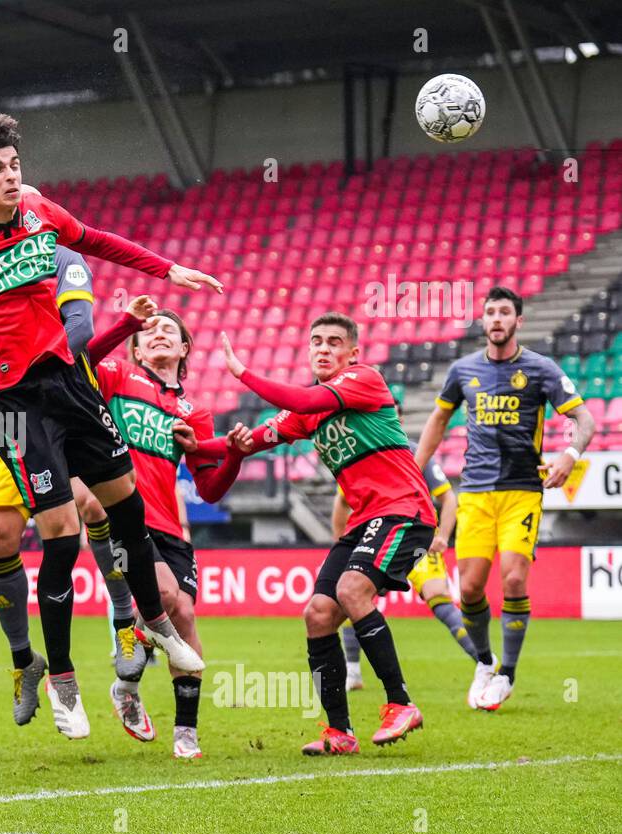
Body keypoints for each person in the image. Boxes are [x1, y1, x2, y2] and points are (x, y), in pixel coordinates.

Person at [0, 113, 222, 739]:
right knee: (58, 535)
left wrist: (167, 270)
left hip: (71, 388)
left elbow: (98, 240)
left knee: (126, 510)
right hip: (13, 407)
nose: (10, 177)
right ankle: (62, 681)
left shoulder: (38, 212)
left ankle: (157, 627)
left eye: (15, 166)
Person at [209, 313, 433, 755]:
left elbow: (305, 399)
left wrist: (243, 374)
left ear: (353, 353)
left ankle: (401, 703)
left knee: (351, 589)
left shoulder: (364, 379)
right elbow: (251, 442)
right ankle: (340, 732)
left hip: (404, 510)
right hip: (364, 520)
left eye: (334, 342)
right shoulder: (307, 412)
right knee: (318, 614)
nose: (324, 348)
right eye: (316, 341)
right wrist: (192, 445)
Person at [0, 246, 139, 727]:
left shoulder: (59, 268)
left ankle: (124, 622)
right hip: (15, 420)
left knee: (93, 506)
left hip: (65, 410)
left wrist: (124, 327)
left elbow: (82, 339)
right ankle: (24, 661)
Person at [414, 286, 595, 711]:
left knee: (513, 580)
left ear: (518, 321)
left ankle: (507, 674)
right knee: (470, 588)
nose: (496, 319)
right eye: (491, 312)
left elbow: (583, 418)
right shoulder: (462, 370)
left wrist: (570, 455)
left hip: (522, 491)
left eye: (504, 312)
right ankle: (484, 661)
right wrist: (414, 470)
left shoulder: (540, 369)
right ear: (483, 321)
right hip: (475, 493)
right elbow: (438, 420)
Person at [86, 303, 252, 758]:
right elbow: (79, 358)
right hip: (125, 515)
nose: (158, 332)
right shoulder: (118, 376)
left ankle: (182, 729)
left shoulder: (194, 412)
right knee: (165, 595)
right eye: (149, 331)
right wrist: (126, 323)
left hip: (170, 527)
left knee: (184, 616)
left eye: (168, 330)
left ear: (184, 349)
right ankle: (127, 671)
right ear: (137, 350)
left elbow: (210, 489)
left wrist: (234, 457)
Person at [334, 441, 477, 691]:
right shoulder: (363, 450)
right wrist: (341, 546)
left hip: (416, 537)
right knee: (350, 596)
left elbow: (448, 498)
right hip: (378, 539)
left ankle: (485, 663)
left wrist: (443, 536)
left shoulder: (414, 451)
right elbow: (341, 503)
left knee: (439, 597)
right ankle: (353, 671)